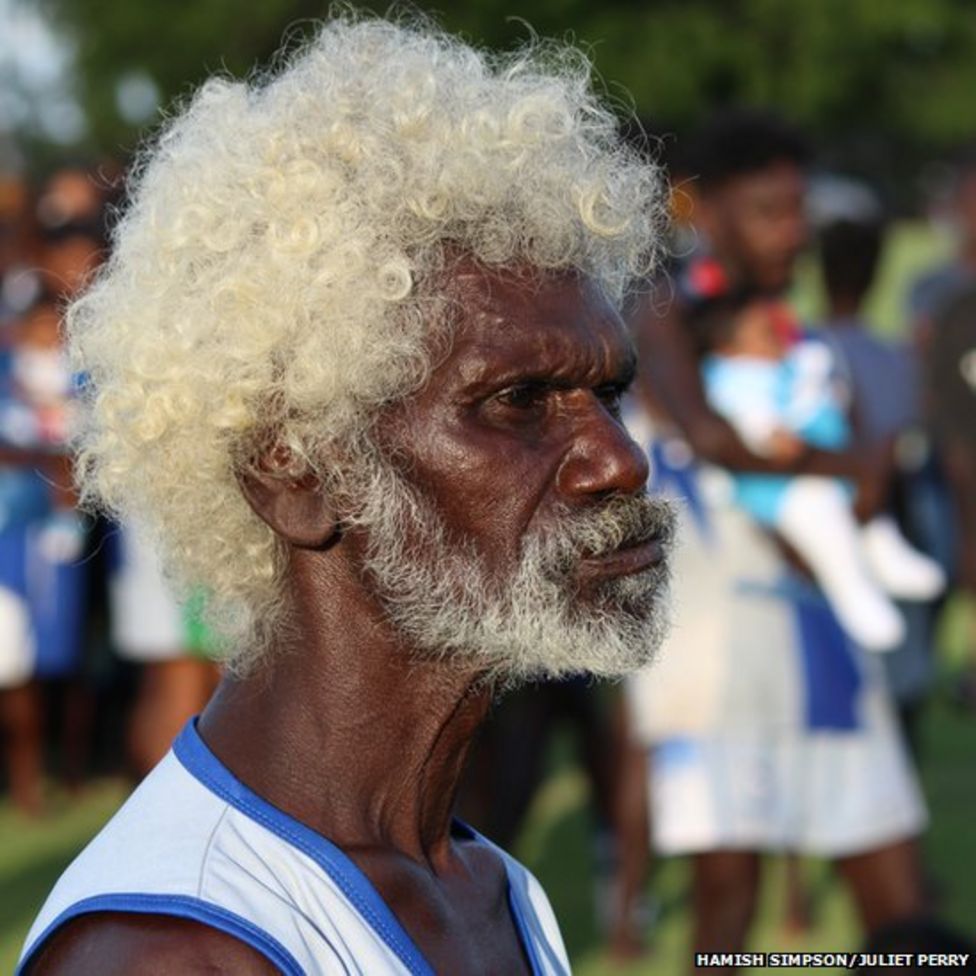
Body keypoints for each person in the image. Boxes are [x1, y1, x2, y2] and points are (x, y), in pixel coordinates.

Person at [18, 14, 674, 975]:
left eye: (609, 393)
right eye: (519, 400)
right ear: (295, 470)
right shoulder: (177, 951)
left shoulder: (491, 885)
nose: (617, 460)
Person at [622, 111, 927, 965]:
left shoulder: (796, 330)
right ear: (706, 210)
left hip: (823, 633)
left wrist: (855, 474)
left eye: (799, 210)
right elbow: (714, 437)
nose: (794, 231)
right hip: (721, 650)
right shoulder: (665, 316)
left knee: (901, 900)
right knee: (727, 898)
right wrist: (850, 465)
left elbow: (861, 471)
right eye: (770, 211)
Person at [694, 288, 944, 652]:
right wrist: (772, 436)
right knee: (829, 532)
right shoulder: (735, 380)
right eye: (765, 335)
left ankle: (886, 554)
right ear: (728, 350)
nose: (776, 341)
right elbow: (753, 419)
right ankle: (855, 594)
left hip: (827, 472)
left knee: (866, 511)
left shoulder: (783, 365)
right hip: (784, 491)